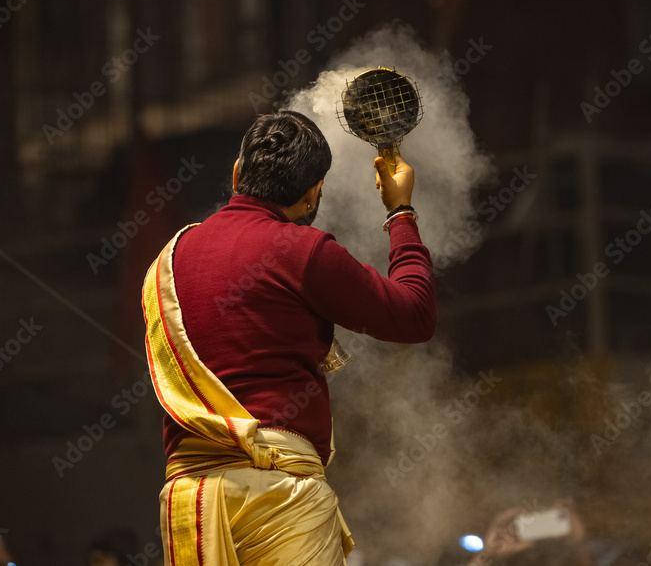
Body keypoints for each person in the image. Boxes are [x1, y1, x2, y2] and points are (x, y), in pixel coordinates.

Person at [141, 110, 436, 565]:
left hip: (189, 503)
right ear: (313, 192)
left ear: (237, 173)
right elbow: (415, 315)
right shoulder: (306, 252)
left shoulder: (168, 259)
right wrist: (400, 211)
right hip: (280, 496)